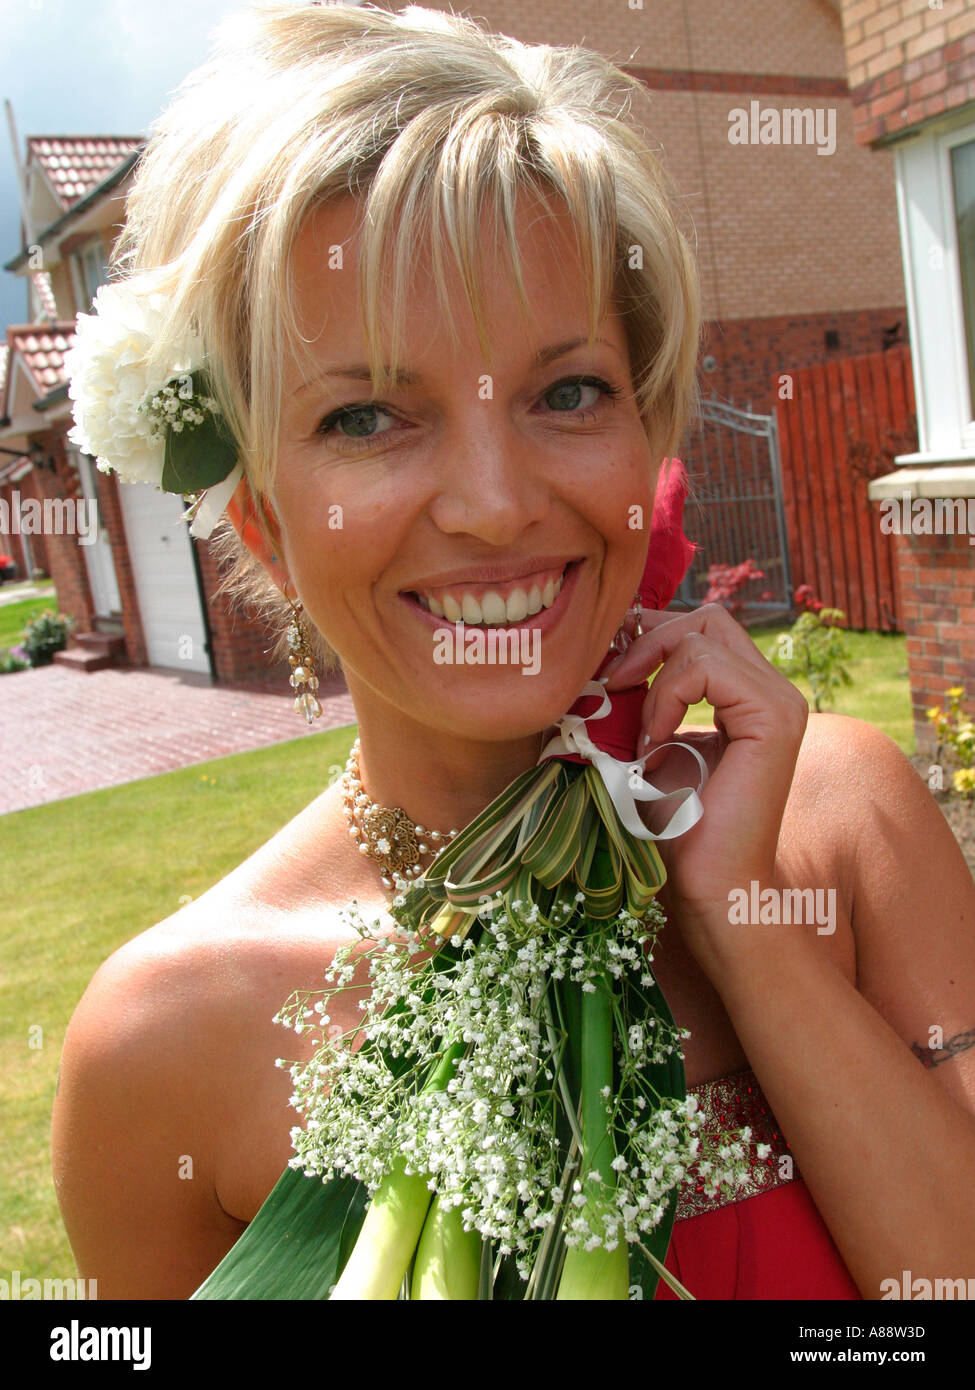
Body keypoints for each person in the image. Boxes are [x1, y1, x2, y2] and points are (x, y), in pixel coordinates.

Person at [52, 1, 975, 1301]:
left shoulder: (851, 825)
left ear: (649, 436)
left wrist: (746, 927)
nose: (493, 502)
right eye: (370, 413)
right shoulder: (160, 1041)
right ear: (260, 513)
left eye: (567, 392)